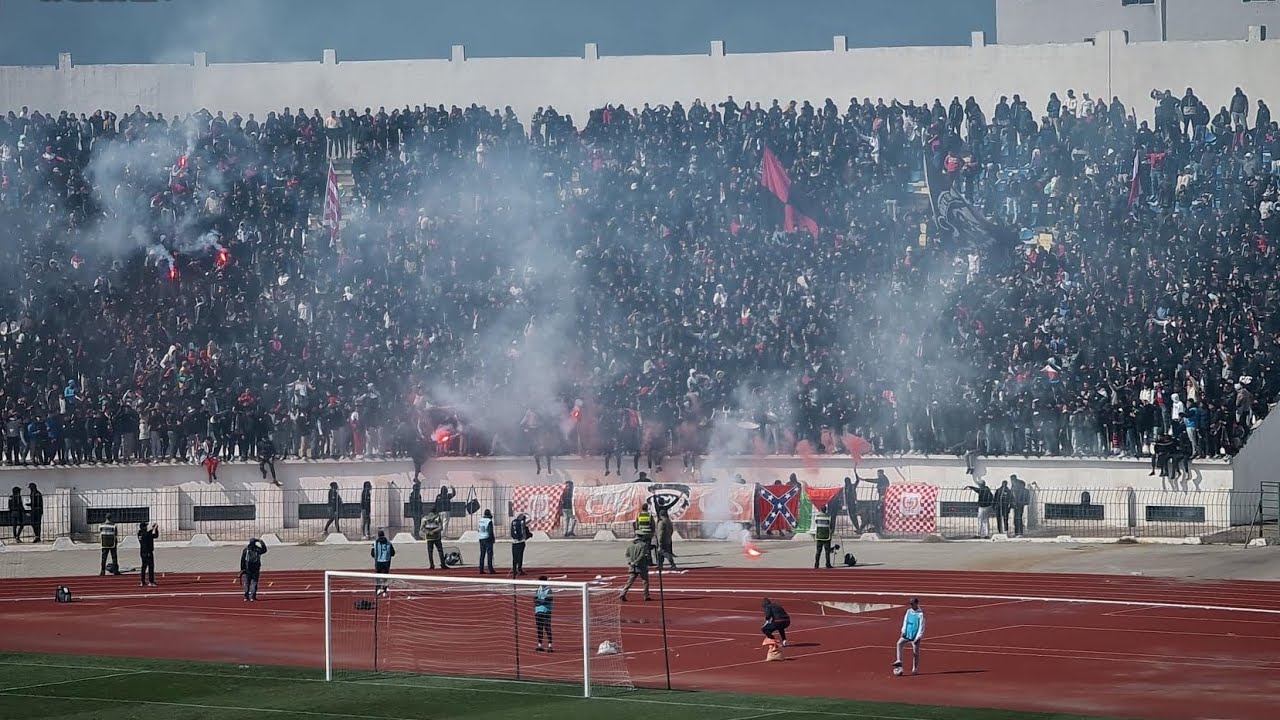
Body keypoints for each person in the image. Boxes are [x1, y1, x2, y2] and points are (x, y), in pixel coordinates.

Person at [894, 598, 926, 676]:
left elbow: (921, 627)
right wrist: (903, 631)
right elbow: (905, 621)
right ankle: (899, 661)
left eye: (912, 604)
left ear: (916, 604)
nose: (911, 605)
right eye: (910, 604)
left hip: (915, 635)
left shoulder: (920, 614)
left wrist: (918, 637)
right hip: (907, 633)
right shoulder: (908, 611)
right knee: (899, 643)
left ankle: (914, 668)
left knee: (915, 653)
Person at [619, 535, 651, 602]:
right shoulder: (643, 545)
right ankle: (646, 595)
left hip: (632, 567)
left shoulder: (630, 546)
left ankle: (623, 593)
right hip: (641, 566)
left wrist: (630, 562)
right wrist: (636, 562)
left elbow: (627, 555)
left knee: (629, 582)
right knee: (645, 581)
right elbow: (642, 555)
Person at [240, 537, 268, 601]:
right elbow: (264, 550)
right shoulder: (257, 549)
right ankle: (253, 596)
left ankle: (246, 597)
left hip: (247, 568)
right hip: (255, 568)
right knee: (254, 582)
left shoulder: (246, 550)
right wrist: (261, 542)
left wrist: (242, 569)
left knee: (247, 583)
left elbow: (242, 560)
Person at [371, 529, 395, 596]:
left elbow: (372, 554)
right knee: (385, 576)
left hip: (378, 562)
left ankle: (378, 589)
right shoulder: (389, 543)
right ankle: (385, 590)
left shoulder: (375, 543)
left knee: (378, 576)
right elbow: (393, 553)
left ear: (378, 536)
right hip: (386, 562)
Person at [534, 575, 554, 652]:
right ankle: (540, 644)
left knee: (547, 627)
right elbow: (535, 600)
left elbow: (547, 600)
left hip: (546, 611)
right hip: (538, 611)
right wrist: (540, 601)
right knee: (539, 628)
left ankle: (550, 645)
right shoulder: (537, 589)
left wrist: (540, 601)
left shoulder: (549, 590)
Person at [510, 512, 531, 576]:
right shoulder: (522, 523)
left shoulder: (513, 522)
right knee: (520, 556)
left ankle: (514, 569)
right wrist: (526, 513)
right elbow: (530, 519)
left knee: (514, 556)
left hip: (514, 542)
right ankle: (519, 569)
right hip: (521, 542)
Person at [137, 522, 159, 586]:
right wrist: (154, 529)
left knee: (143, 567)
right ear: (143, 527)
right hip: (148, 552)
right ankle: (151, 581)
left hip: (142, 552)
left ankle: (142, 581)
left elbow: (152, 534)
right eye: (145, 526)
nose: (146, 527)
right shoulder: (146, 534)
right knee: (150, 566)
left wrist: (154, 529)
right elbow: (153, 535)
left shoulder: (139, 534)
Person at [813, 504, 834, 569]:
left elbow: (816, 522)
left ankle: (816, 564)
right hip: (826, 536)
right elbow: (831, 526)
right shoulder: (829, 516)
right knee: (827, 551)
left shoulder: (817, 516)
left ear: (821, 510)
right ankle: (828, 564)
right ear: (826, 510)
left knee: (818, 551)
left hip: (819, 536)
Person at [477, 508, 495, 574]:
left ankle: (481, 569)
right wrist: (493, 539)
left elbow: (478, 529)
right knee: (489, 554)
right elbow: (490, 531)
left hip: (481, 538)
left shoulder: (480, 520)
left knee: (482, 554)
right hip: (487, 538)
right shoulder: (489, 521)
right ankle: (490, 569)